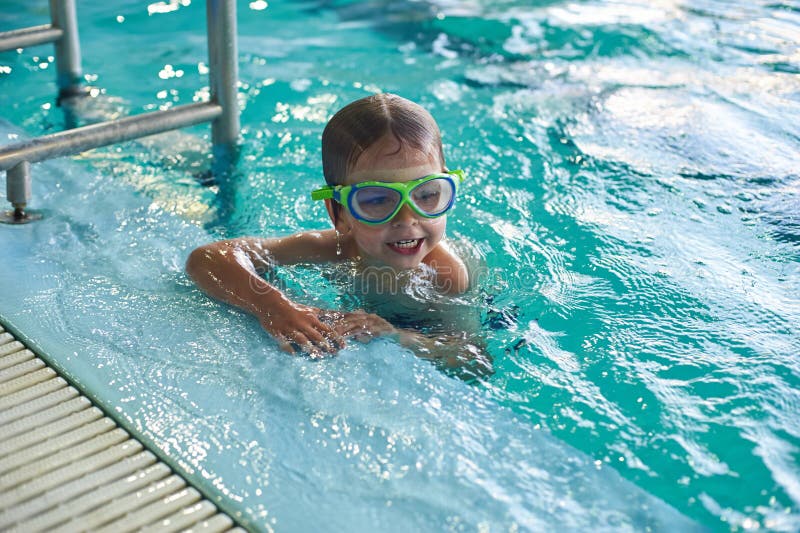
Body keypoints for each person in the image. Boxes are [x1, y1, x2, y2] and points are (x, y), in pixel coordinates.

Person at [186, 93, 491, 377]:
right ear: (339, 213)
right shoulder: (334, 249)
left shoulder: (446, 277)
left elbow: (472, 359)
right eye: (376, 200)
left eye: (427, 194)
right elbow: (209, 257)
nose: (407, 219)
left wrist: (398, 337)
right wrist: (277, 307)